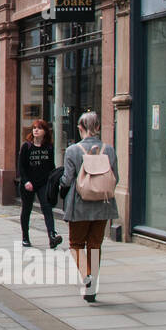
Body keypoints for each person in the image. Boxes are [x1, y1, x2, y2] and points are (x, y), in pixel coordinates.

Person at [59, 111, 119, 303]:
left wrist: (59, 184)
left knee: (76, 244)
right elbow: (115, 177)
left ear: (80, 128)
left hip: (79, 205)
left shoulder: (73, 150)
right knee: (95, 245)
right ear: (98, 127)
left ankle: (87, 276)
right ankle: (92, 285)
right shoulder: (109, 150)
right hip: (103, 204)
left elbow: (67, 179)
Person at [18, 119, 62, 249]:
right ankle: (25, 237)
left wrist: (52, 181)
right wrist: (26, 181)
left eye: (39, 128)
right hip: (28, 184)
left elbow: (51, 167)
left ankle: (52, 236)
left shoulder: (48, 148)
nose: (36, 130)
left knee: (47, 208)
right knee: (27, 209)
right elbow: (21, 166)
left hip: (43, 183)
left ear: (45, 132)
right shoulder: (26, 147)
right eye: (34, 128)